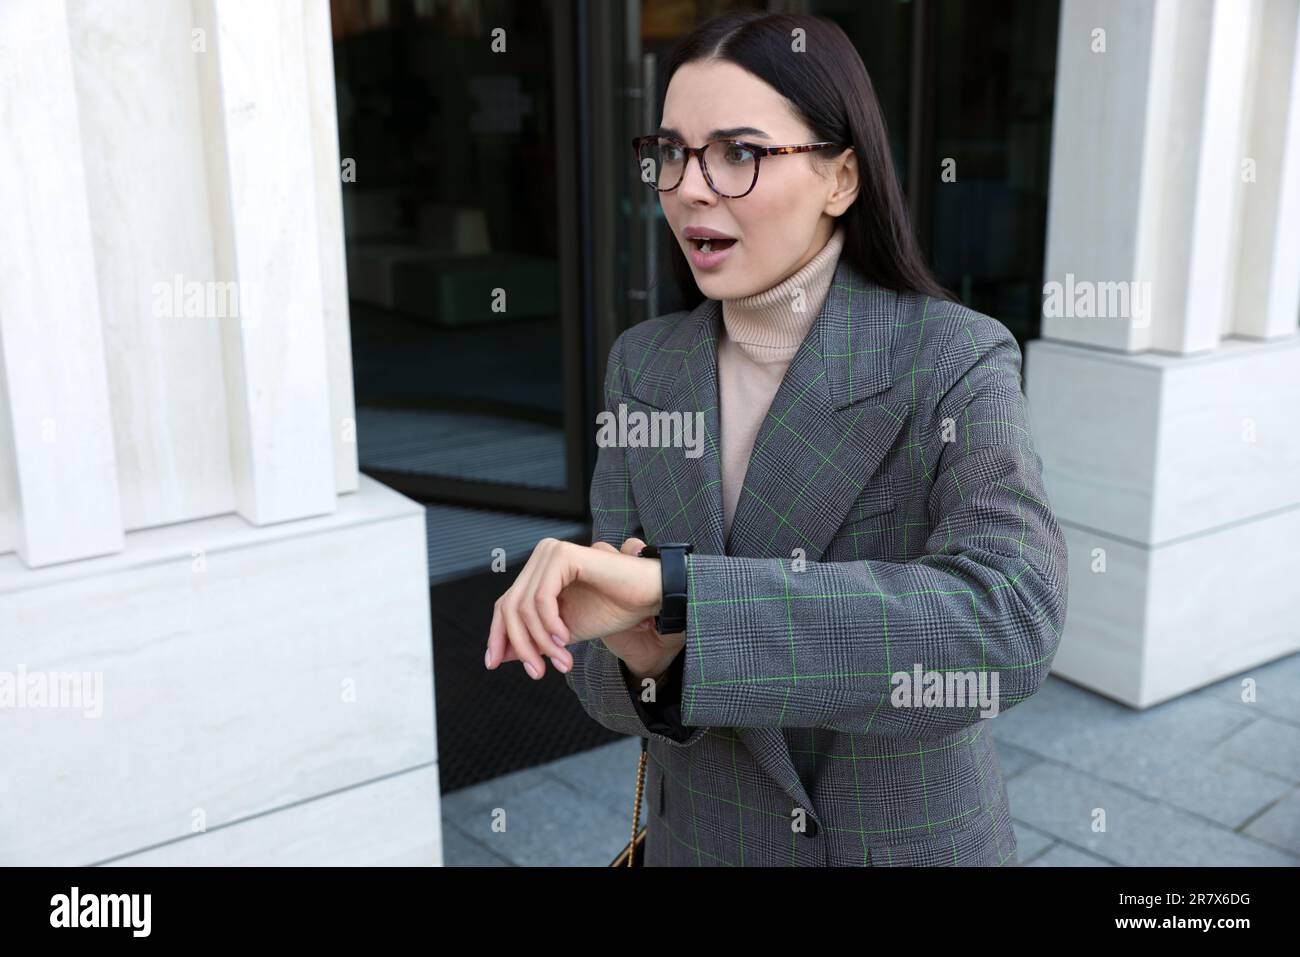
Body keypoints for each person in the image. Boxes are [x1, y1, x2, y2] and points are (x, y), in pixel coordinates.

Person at [484, 10, 1068, 866]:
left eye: (739, 152)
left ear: (840, 177)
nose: (688, 187)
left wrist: (686, 599)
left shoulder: (952, 355)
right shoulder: (643, 367)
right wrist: (649, 660)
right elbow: (606, 682)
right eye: (672, 152)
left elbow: (1009, 621)